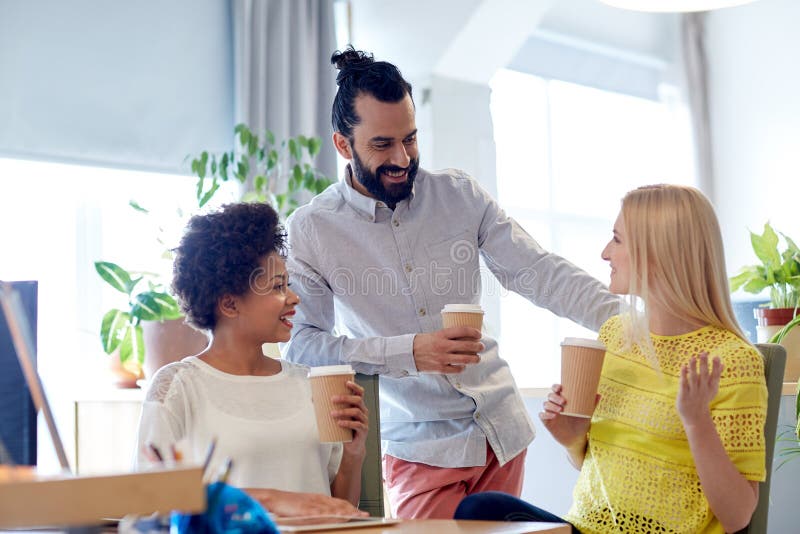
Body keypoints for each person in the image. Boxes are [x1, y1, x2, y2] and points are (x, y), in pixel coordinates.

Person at [281, 46, 620, 519]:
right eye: (382, 145)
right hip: (418, 446)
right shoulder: (313, 229)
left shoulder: (458, 195)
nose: (402, 157)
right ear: (343, 145)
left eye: (411, 139)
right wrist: (410, 351)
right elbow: (303, 346)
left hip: (501, 431)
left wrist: (629, 322)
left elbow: (539, 273)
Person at [455, 184, 769, 533]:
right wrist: (573, 436)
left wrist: (697, 422)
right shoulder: (616, 336)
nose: (606, 253)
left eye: (617, 240)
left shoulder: (733, 361)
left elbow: (738, 516)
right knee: (480, 509)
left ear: (657, 253)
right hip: (585, 528)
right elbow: (589, 462)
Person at [134, 202, 370, 519]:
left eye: (288, 284)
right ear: (230, 304)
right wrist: (272, 500)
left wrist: (353, 456)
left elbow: (339, 508)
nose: (294, 298)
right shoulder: (178, 386)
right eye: (277, 287)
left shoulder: (308, 384)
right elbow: (152, 502)